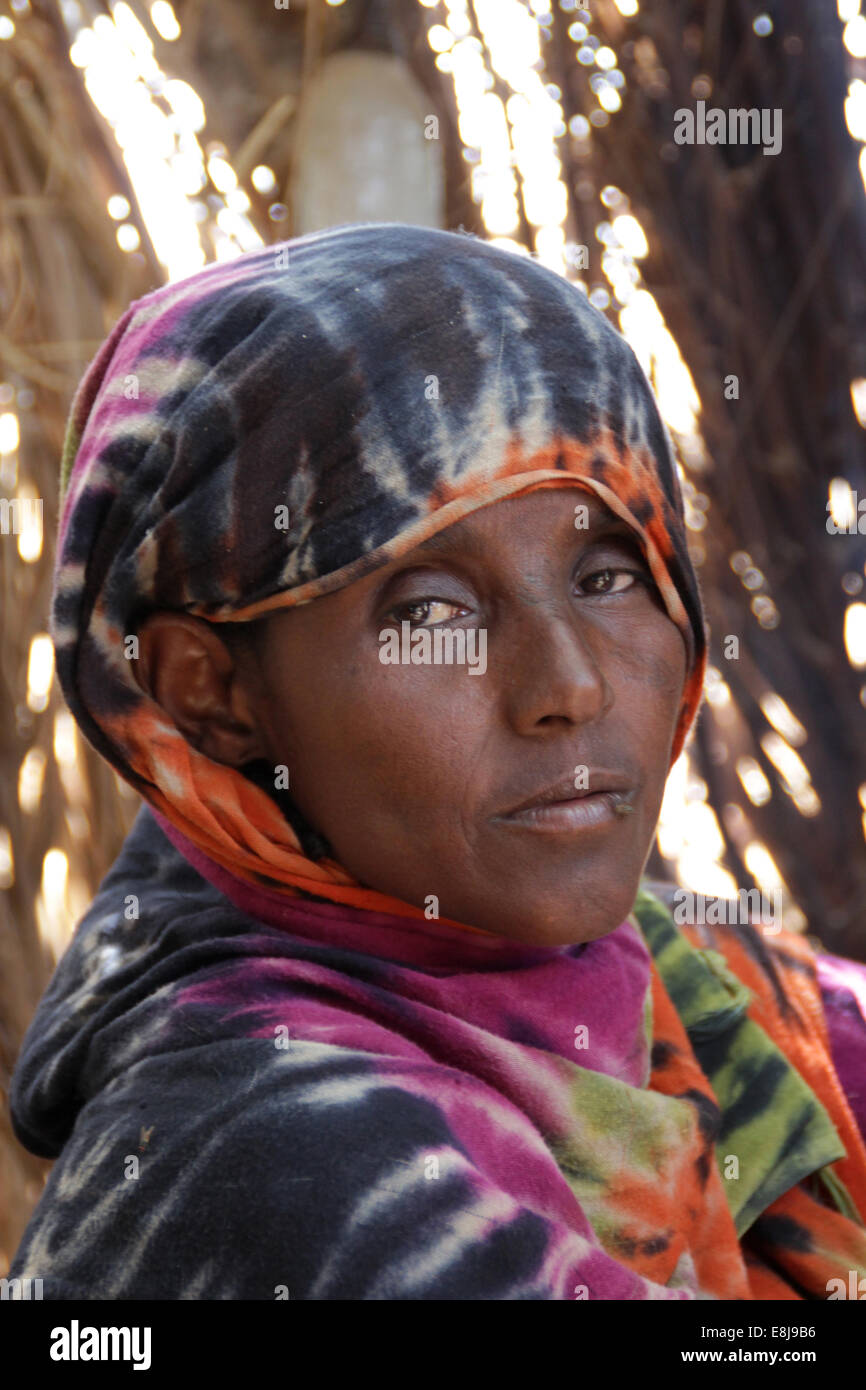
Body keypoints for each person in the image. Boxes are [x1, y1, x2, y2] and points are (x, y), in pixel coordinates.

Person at [7, 224, 866, 1300]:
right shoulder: (281, 1151)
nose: (569, 686)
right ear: (208, 691)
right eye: (432, 611)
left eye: (605, 572)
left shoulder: (673, 977)